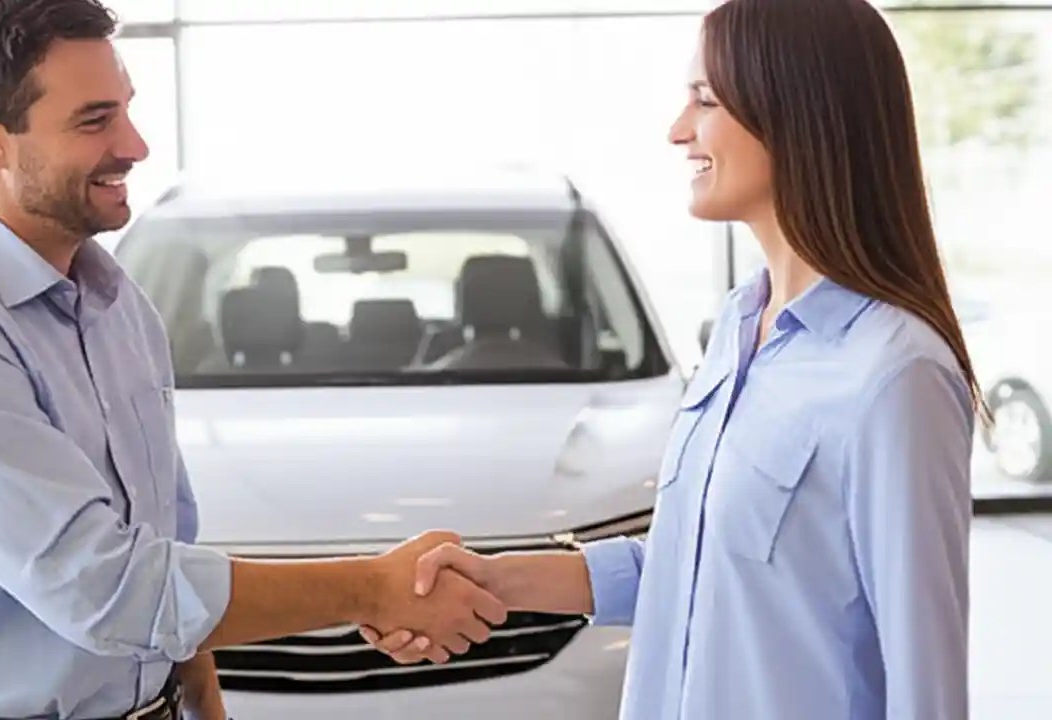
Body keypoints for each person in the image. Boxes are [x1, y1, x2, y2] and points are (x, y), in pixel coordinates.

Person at [0, 1, 504, 718]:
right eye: (94, 121)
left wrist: (203, 703)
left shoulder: (115, 300)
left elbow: (164, 543)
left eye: (126, 110)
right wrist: (370, 587)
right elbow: (109, 589)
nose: (134, 145)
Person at [362, 1, 980, 718]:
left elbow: (926, 682)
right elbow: (697, 562)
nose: (677, 129)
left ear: (797, 113)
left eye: (705, 99)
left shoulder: (895, 374)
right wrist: (498, 581)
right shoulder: (737, 327)